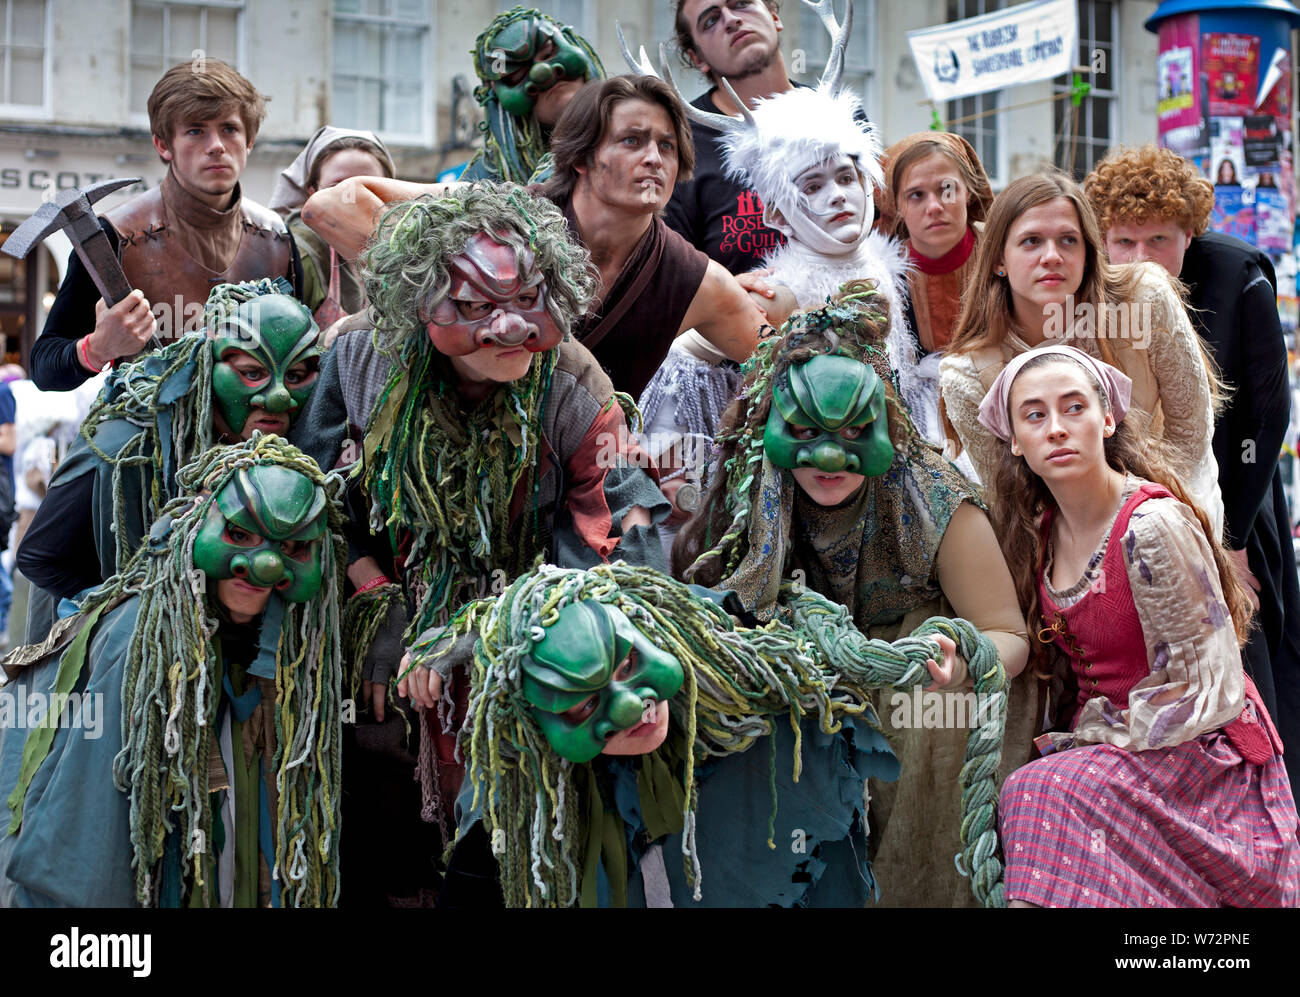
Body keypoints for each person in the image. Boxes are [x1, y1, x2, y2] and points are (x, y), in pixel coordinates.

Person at [294, 184, 671, 904]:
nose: (509, 327)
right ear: (420, 302)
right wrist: (377, 600)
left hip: (532, 635)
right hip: (385, 626)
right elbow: (312, 497)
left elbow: (621, 539)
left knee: (508, 836)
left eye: (530, 300)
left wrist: (496, 636)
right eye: (471, 308)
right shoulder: (360, 358)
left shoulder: (572, 382)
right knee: (384, 819)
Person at [672, 285, 1034, 906]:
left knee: (910, 721)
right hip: (812, 670)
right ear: (768, 426)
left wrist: (957, 654)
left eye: (853, 430)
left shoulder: (931, 498)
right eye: (806, 430)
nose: (830, 455)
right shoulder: (747, 497)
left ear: (885, 422)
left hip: (929, 685)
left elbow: (1010, 634)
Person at [415, 561, 1007, 908]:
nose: (631, 708)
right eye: (582, 706)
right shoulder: (512, 806)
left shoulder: (733, 658)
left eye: (626, 667)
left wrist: (916, 658)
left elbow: (816, 653)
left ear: (651, 631)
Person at [980, 345, 1298, 907]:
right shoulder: (1041, 532)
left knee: (1036, 790)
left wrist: (1086, 742)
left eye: (1074, 407)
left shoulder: (1149, 526)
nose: (1056, 429)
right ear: (1013, 438)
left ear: (1107, 419)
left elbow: (1207, 690)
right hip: (1123, 756)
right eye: (1034, 415)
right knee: (1029, 791)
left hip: (1201, 755)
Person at [0, 435, 346, 907]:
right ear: (194, 525)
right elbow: (79, 850)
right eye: (240, 534)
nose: (265, 565)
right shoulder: (138, 642)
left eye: (291, 546)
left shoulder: (290, 643)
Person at [304, 75, 764, 402]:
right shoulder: (498, 213)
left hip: (579, 487)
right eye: (631, 140)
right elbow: (330, 208)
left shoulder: (695, 280)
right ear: (582, 156)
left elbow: (782, 363)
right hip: (439, 452)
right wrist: (450, 280)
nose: (654, 158)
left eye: (666, 145)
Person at [1085, 143, 1300, 800]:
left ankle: (1267, 815)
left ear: (1192, 232)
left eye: (1161, 239)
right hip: (1130, 509)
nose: (1143, 257)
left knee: (1247, 660)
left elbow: (1268, 413)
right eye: (1125, 240)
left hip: (1237, 497)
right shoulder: (1089, 280)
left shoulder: (1237, 273)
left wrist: (1231, 543)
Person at [17, 280, 321, 645]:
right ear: (209, 364)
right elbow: (40, 556)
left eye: (297, 376)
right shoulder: (124, 440)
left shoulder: (282, 450)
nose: (278, 397)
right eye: (252, 373)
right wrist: (133, 607)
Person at [939, 171, 1224, 534]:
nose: (1052, 256)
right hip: (1059, 545)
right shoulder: (968, 373)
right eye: (1031, 241)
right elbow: (1010, 497)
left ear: (1089, 253)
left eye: (1068, 240)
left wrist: (1152, 525)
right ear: (999, 260)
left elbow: (1191, 436)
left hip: (1175, 513)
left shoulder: (1145, 299)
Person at [30, 61, 302, 392]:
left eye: (229, 129)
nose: (216, 144)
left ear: (250, 141)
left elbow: (303, 358)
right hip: (147, 438)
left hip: (259, 440)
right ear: (163, 145)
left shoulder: (278, 239)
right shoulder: (113, 235)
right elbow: (44, 367)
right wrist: (99, 348)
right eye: (196, 130)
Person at [664, 0, 799, 274]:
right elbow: (672, 276)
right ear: (697, 58)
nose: (731, 20)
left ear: (774, 16)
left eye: (742, 3)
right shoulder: (676, 144)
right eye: (711, 20)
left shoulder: (838, 112)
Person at [269, 126, 395, 332]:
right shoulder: (297, 257)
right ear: (313, 192)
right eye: (338, 185)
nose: (353, 197)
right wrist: (327, 340)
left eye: (368, 186)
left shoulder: (404, 255)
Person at [461, 6, 604, 185]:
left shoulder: (634, 127)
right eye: (518, 76)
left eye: (548, 53)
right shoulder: (486, 178)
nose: (542, 73)